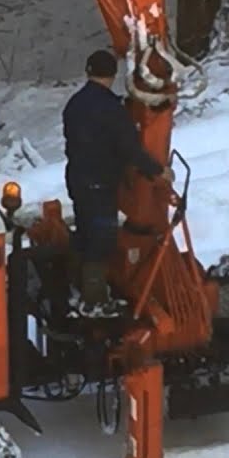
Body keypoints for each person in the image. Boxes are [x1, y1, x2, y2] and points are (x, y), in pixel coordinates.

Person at [63, 50, 173, 312]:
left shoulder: (74, 104)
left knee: (84, 233)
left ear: (88, 71)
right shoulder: (112, 110)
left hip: (77, 180)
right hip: (101, 184)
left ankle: (74, 286)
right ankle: (94, 301)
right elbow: (130, 149)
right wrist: (157, 171)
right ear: (113, 75)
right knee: (101, 241)